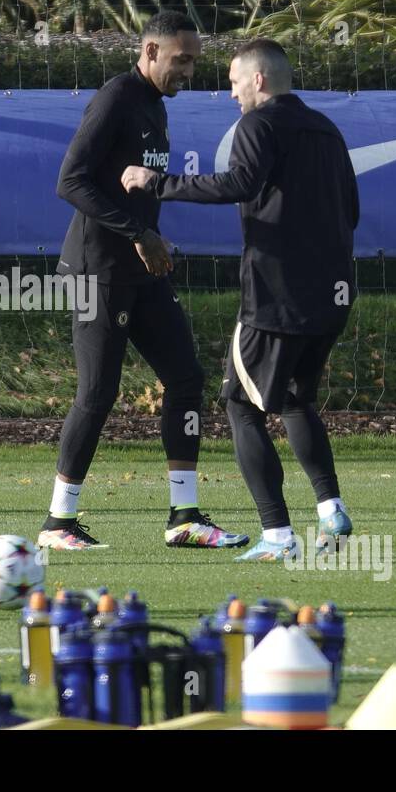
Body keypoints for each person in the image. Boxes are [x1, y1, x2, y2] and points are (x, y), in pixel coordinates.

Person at [121, 37, 359, 562]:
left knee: (239, 405)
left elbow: (237, 183)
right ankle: (330, 509)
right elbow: (351, 209)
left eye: (232, 83)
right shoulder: (328, 130)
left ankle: (277, 535)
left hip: (277, 297)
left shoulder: (259, 125)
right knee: (296, 400)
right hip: (333, 294)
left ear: (258, 80)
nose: (230, 95)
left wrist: (154, 182)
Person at [40, 9, 248, 551]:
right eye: (182, 60)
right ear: (150, 51)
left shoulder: (155, 103)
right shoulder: (116, 97)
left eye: (196, 61)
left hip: (141, 270)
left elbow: (126, 185)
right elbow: (71, 181)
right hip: (97, 271)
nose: (190, 70)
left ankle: (184, 516)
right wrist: (139, 231)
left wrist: (149, 237)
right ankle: (58, 523)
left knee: (185, 377)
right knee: (98, 392)